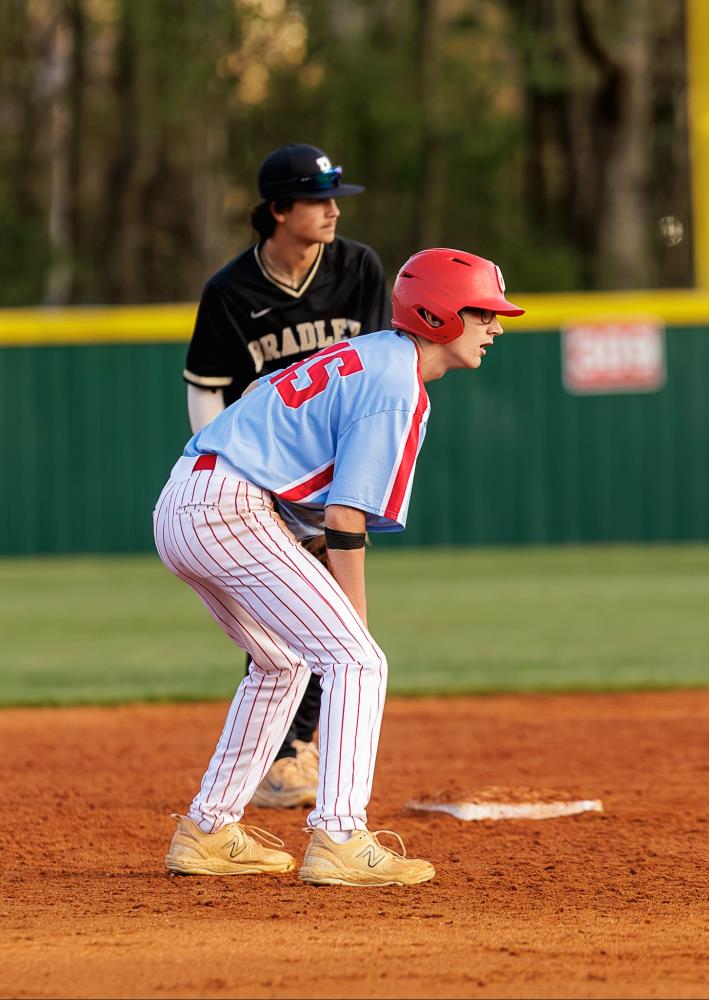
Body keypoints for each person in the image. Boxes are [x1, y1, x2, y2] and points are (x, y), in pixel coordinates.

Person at [154, 248, 524, 886]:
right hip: (230, 508)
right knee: (358, 658)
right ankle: (340, 837)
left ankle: (208, 829)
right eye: (484, 313)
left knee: (284, 662)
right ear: (439, 315)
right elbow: (345, 520)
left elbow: (327, 516)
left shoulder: (377, 358)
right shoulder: (395, 382)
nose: (496, 327)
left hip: (190, 501)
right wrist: (354, 625)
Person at [183, 143, 391, 810]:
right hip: (257, 474)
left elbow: (379, 370)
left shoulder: (358, 268)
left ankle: (292, 751)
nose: (333, 210)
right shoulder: (230, 291)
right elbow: (207, 391)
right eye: (317, 199)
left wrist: (350, 487)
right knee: (287, 623)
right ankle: (289, 754)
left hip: (331, 471)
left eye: (335, 198)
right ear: (277, 210)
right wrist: (232, 475)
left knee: (306, 620)